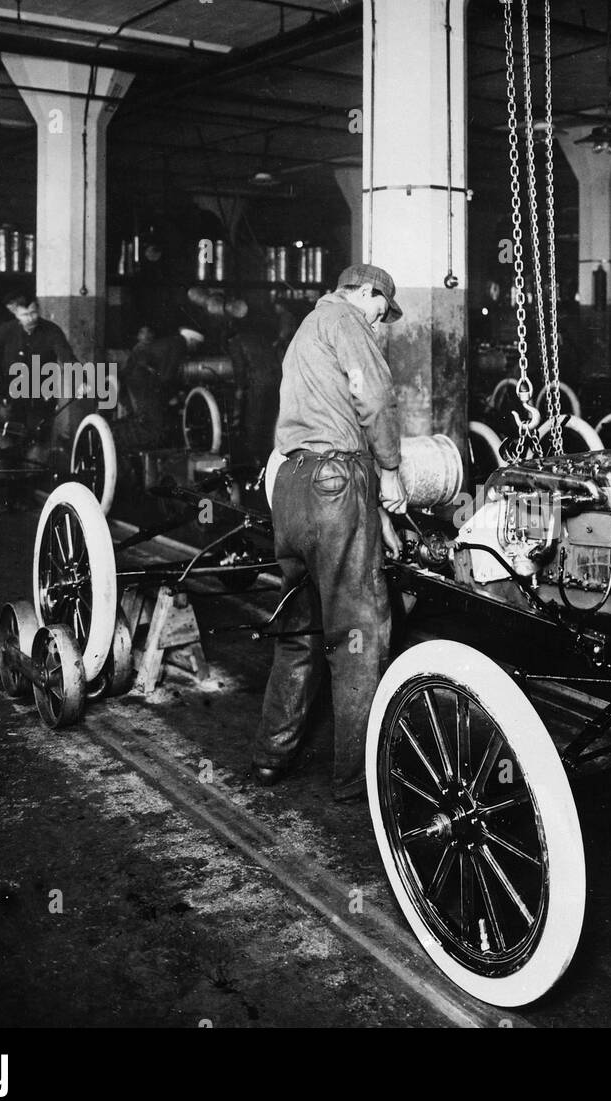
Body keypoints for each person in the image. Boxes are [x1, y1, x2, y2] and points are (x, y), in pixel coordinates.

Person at [252, 264, 408, 802]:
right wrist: (389, 471)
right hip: (335, 485)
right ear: (366, 293)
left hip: (291, 487)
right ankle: (356, 777)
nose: (380, 324)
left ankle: (272, 755)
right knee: (360, 632)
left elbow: (321, 421)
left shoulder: (305, 330)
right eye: (381, 312)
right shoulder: (347, 322)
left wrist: (372, 514)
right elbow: (375, 398)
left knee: (302, 629)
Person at [0, 292, 78, 464]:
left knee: (40, 439)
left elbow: (66, 356)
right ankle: (7, 475)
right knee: (8, 437)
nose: (30, 318)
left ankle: (32, 473)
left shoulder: (51, 330)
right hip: (12, 392)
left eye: (33, 313)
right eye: (25, 315)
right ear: (15, 314)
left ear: (38, 309)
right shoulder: (7, 330)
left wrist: (80, 380)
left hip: (42, 393)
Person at [116, 327, 203, 450]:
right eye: (197, 344)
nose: (196, 348)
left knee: (140, 417)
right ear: (192, 340)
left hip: (133, 378)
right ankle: (115, 437)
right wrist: (174, 396)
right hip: (142, 380)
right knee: (153, 425)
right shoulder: (180, 345)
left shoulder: (172, 341)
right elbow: (166, 376)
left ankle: (114, 435)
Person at [223, 315, 282, 466]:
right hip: (276, 380)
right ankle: (268, 456)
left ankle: (254, 460)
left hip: (258, 383)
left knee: (253, 420)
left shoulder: (236, 342)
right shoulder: (261, 338)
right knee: (269, 420)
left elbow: (240, 368)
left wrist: (239, 388)